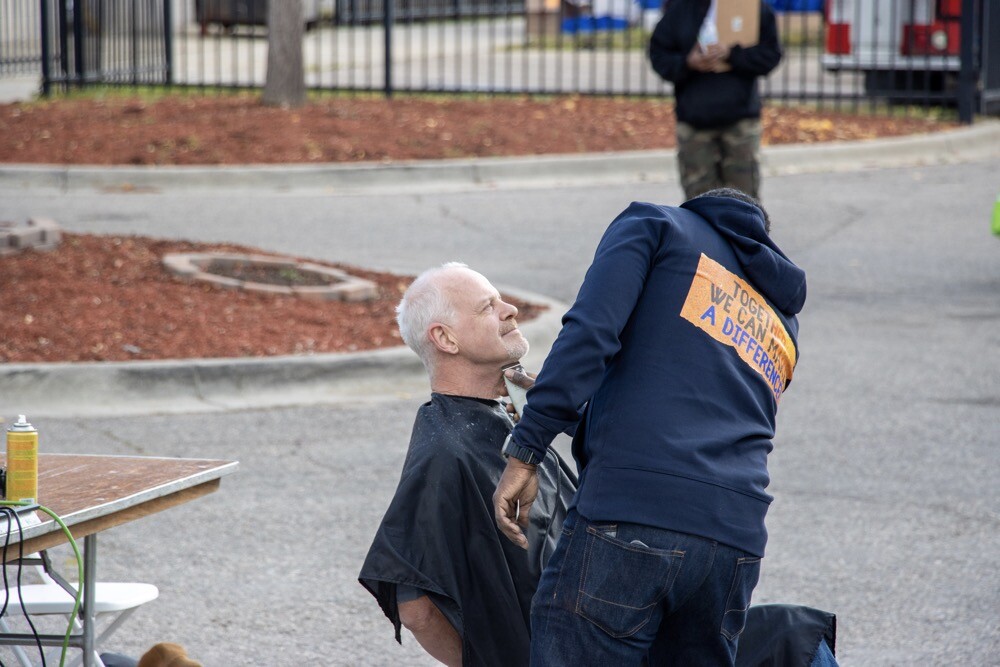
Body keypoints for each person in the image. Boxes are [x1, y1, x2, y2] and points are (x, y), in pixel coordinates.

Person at [494, 189, 807, 665]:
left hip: (634, 516)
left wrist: (528, 446)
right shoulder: (778, 314)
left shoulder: (658, 225)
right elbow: (698, 404)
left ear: (699, 208)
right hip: (734, 540)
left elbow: (590, 334)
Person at [358, 262, 576, 667]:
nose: (510, 309)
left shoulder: (514, 414)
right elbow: (416, 606)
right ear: (445, 338)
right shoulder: (444, 451)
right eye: (487, 307)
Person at [648, 0, 783, 200]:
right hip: (695, 123)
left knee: (744, 206)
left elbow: (771, 55)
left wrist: (732, 54)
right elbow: (659, 55)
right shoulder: (680, 9)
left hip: (740, 122)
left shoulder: (749, 7)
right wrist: (687, 63)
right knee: (700, 208)